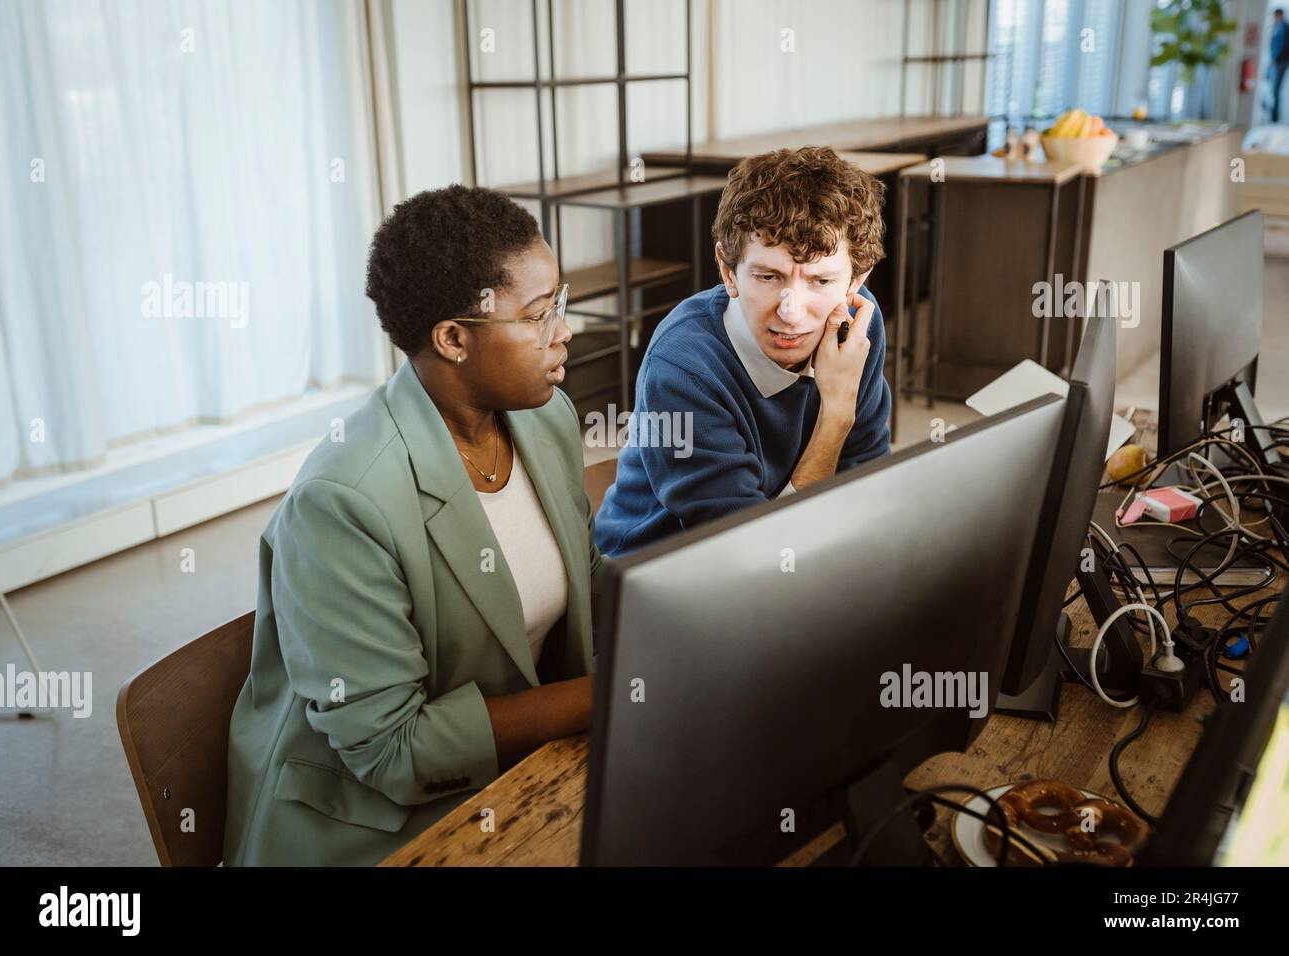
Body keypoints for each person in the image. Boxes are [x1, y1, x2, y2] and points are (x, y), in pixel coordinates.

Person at [224, 185, 601, 866]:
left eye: (561, 305)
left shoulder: (546, 419)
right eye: (540, 315)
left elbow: (588, 591)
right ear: (453, 338)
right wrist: (601, 698)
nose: (564, 331)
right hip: (376, 822)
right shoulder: (343, 502)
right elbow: (391, 752)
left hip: (507, 768)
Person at [594, 146, 892, 557]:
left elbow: (866, 483)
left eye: (821, 282)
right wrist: (836, 417)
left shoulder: (858, 328)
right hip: (664, 573)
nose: (791, 313)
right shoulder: (682, 368)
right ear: (727, 270)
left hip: (786, 561)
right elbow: (756, 551)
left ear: (856, 282)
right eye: (768, 276)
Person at [1271, 8, 1288, 123]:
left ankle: (1274, 117)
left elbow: (1282, 45)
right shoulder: (1279, 26)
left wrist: (1276, 58)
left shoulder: (1283, 27)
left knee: (1276, 88)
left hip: (1281, 61)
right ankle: (1274, 116)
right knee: (1275, 88)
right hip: (1280, 60)